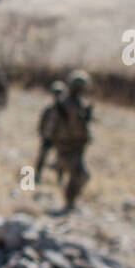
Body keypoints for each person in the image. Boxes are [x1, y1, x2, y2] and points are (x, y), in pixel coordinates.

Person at [49, 71, 94, 209]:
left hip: (75, 146)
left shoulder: (77, 103)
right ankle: (69, 202)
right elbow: (67, 126)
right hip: (67, 147)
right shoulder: (67, 104)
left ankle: (70, 201)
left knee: (79, 175)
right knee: (80, 175)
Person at [34, 80, 67, 186]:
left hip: (60, 139)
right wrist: (41, 132)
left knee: (61, 160)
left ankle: (60, 179)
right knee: (42, 157)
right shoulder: (49, 109)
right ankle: (37, 175)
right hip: (48, 137)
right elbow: (42, 122)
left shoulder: (65, 110)